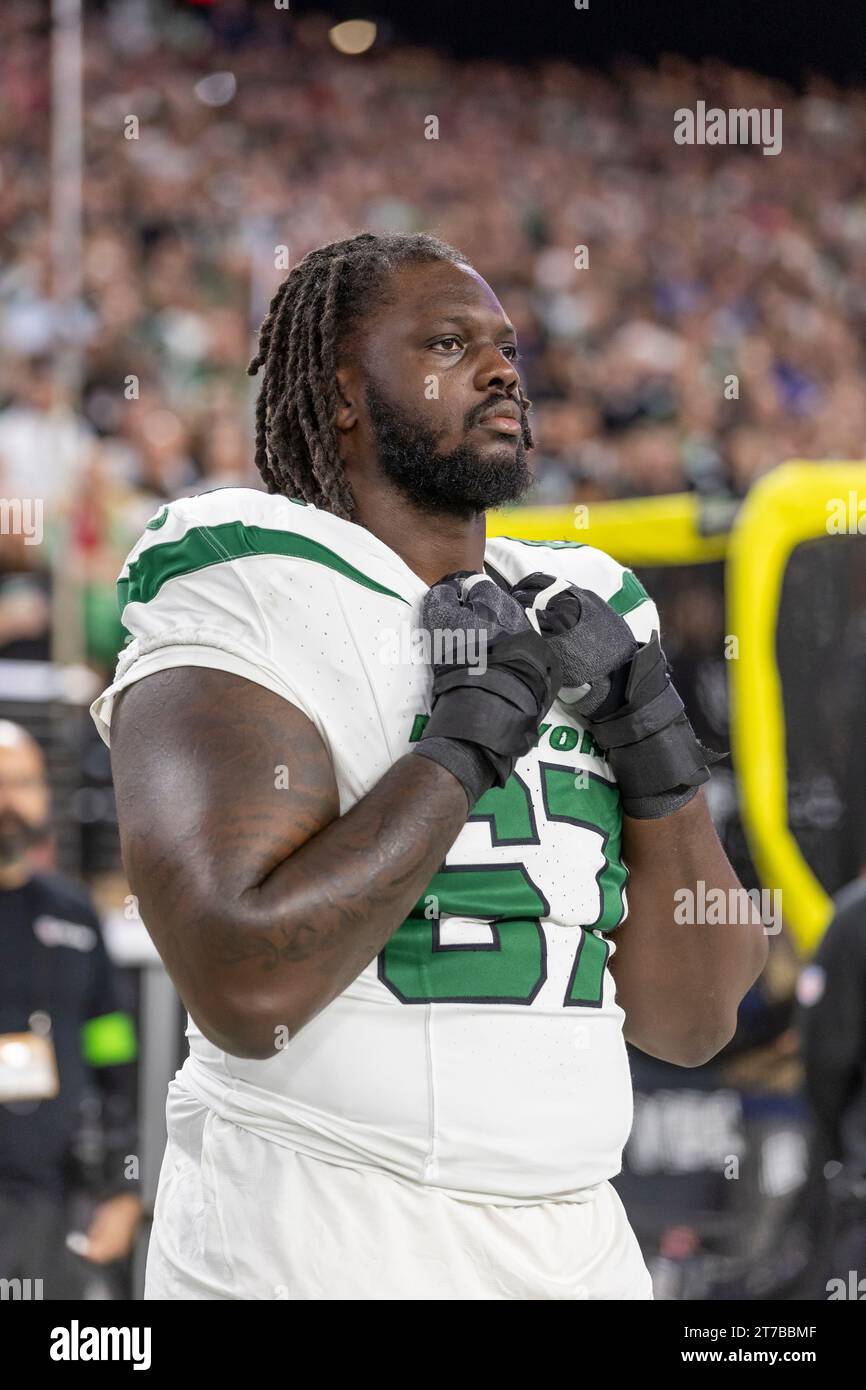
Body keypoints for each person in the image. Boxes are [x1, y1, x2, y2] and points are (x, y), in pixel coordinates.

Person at [92, 231, 767, 1300]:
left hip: (575, 1240)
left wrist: (656, 755)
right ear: (342, 392)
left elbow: (693, 1022)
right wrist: (467, 736)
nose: (502, 370)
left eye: (505, 347)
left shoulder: (578, 607)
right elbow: (245, 980)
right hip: (316, 1230)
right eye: (448, 344)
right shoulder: (248, 579)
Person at [0, 721, 142, 1298]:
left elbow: (112, 1055)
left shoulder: (74, 915)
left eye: (24, 783)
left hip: (52, 1203)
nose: (10, 800)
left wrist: (122, 1185)